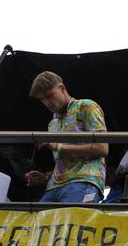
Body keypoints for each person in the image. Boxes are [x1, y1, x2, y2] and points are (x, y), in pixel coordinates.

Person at [25, 71, 109, 203]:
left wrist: (58, 146)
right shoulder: (52, 123)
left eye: (49, 96)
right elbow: (67, 163)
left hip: (83, 181)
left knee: (72, 222)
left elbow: (102, 148)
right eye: (42, 99)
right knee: (37, 222)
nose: (47, 103)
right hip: (53, 186)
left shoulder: (86, 106)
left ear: (62, 88)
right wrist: (46, 177)